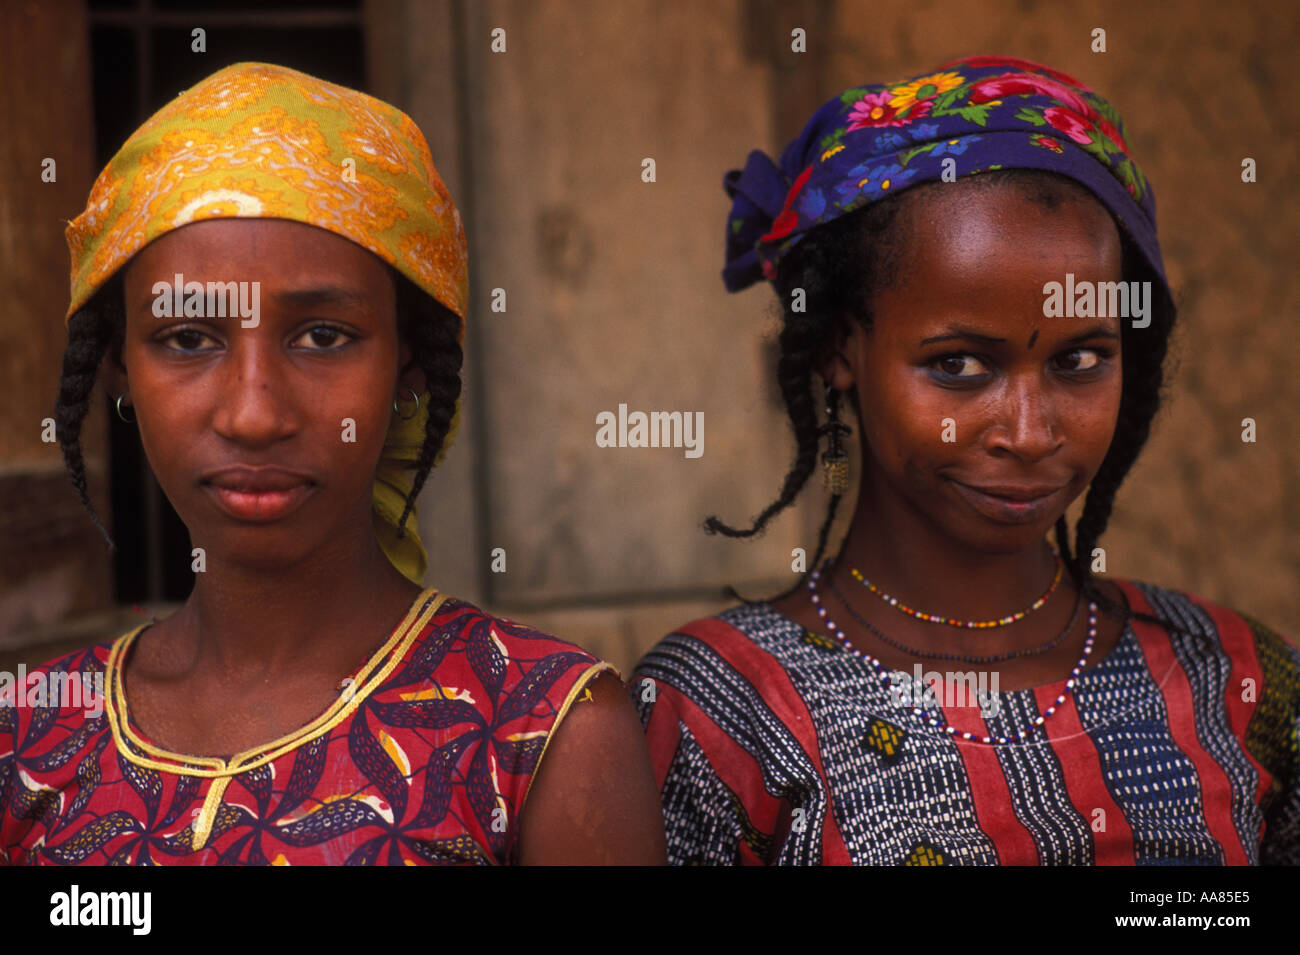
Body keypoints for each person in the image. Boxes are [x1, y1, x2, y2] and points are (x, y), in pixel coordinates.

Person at [632, 55, 1299, 865]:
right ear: (843, 345)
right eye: (958, 365)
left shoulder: (1237, 679)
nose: (1028, 431)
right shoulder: (716, 712)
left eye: (1080, 360)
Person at [0, 62, 664, 865]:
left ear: (410, 363)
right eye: (187, 338)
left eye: (322, 335)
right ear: (117, 369)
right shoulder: (28, 736)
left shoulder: (545, 730)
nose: (254, 413)